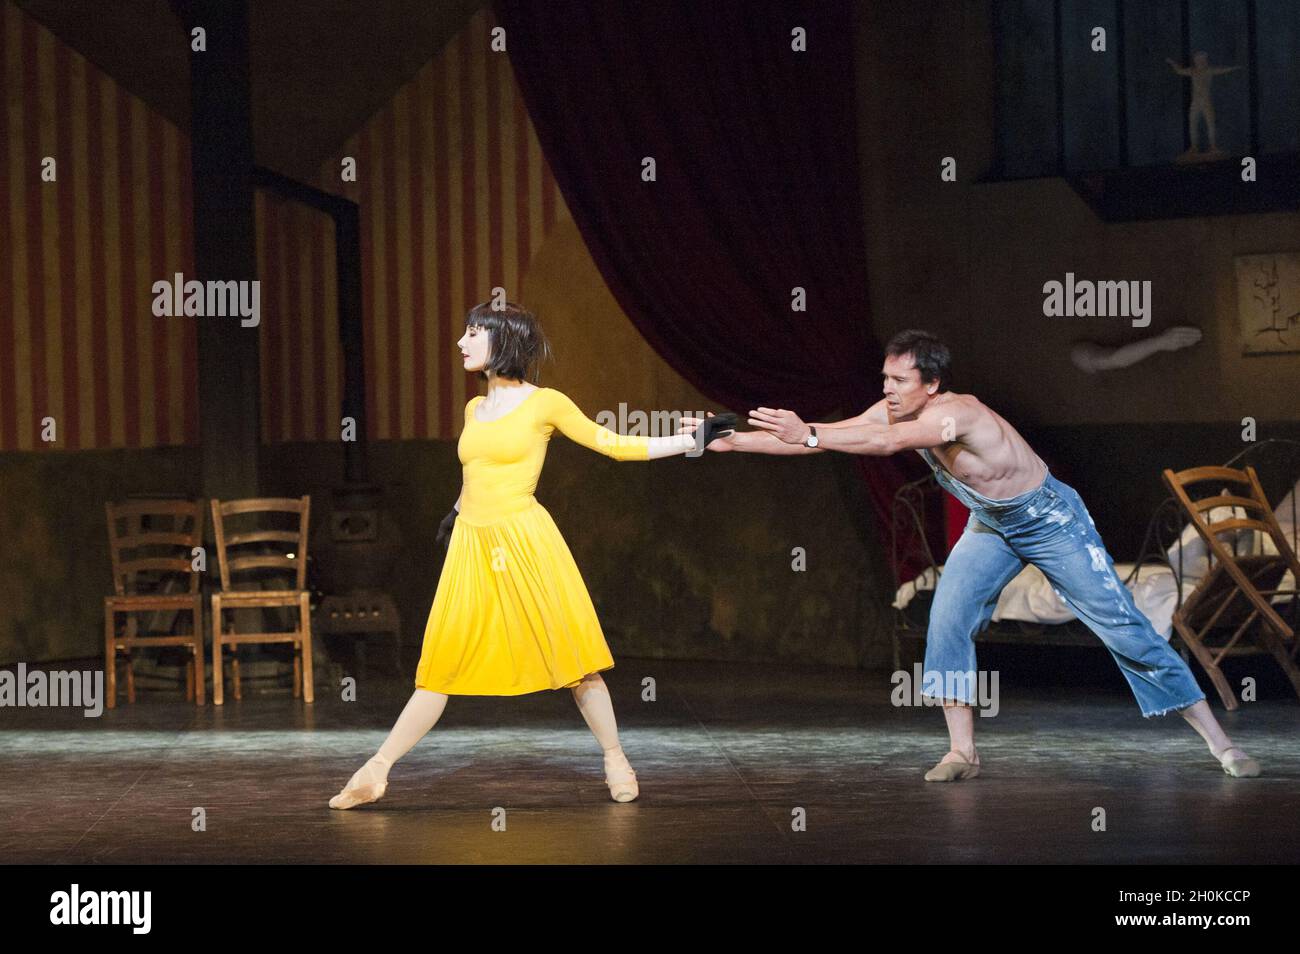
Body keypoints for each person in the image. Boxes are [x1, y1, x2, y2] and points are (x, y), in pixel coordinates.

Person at [684, 329, 1260, 781]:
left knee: (1124, 628)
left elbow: (872, 442)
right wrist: (725, 439)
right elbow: (830, 433)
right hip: (993, 525)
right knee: (948, 619)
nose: (887, 389)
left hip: (1052, 522)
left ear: (930, 385)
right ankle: (963, 751)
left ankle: (1221, 743)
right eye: (884, 377)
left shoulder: (958, 414)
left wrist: (808, 433)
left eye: (899, 380)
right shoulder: (894, 409)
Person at [329, 301, 735, 809]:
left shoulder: (546, 403)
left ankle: (615, 759)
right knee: (439, 665)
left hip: (524, 542)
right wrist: (456, 510)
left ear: (505, 341)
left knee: (576, 660)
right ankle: (376, 770)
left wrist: (690, 442)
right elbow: (474, 470)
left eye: (473, 332)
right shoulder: (473, 409)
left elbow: (612, 444)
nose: (461, 342)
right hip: (472, 547)